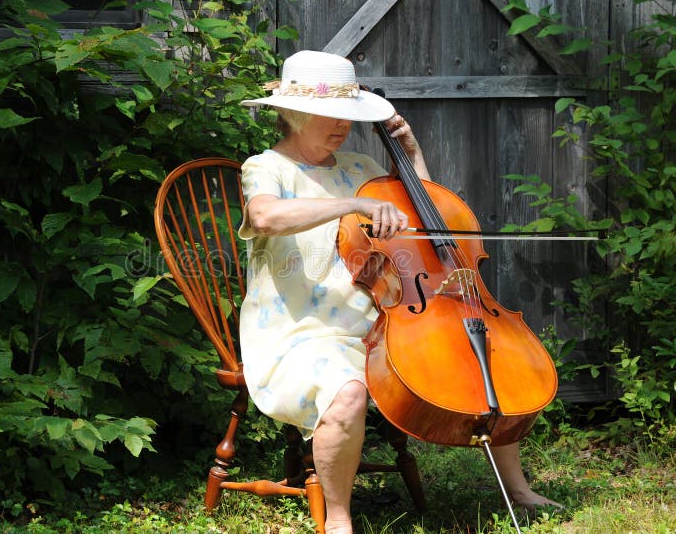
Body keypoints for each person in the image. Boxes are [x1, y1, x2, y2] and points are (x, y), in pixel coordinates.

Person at [237, 50, 561, 534]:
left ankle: (518, 488)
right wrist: (354, 202)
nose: (343, 126)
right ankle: (340, 518)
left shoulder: (362, 164)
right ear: (294, 113)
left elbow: (432, 224)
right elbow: (264, 217)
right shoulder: (266, 168)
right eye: (331, 115)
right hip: (302, 331)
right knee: (345, 394)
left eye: (349, 116)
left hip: (382, 320)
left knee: (481, 357)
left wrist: (412, 158)